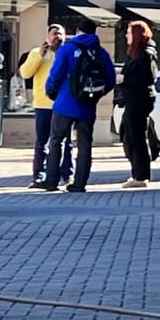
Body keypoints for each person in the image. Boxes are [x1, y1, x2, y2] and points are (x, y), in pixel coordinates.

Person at [41, 19, 116, 192]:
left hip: (65, 103)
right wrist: (95, 95)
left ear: (77, 31)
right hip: (87, 106)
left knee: (57, 141)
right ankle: (80, 183)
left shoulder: (67, 49)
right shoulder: (101, 52)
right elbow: (110, 79)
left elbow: (55, 74)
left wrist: (52, 91)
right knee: (84, 145)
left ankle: (51, 181)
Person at [19, 24, 71, 188]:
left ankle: (66, 175)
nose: (58, 37)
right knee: (42, 142)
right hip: (43, 104)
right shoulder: (37, 52)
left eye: (61, 34)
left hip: (64, 105)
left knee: (65, 142)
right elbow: (25, 73)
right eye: (54, 34)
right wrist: (40, 55)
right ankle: (39, 175)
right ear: (48, 36)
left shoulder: (68, 53)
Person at [118, 20, 159, 188]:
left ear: (136, 34)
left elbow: (148, 78)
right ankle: (136, 174)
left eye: (129, 33)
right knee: (129, 137)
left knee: (137, 138)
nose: (126, 36)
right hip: (132, 99)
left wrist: (125, 78)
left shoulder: (147, 54)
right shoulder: (135, 54)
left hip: (140, 100)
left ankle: (141, 176)